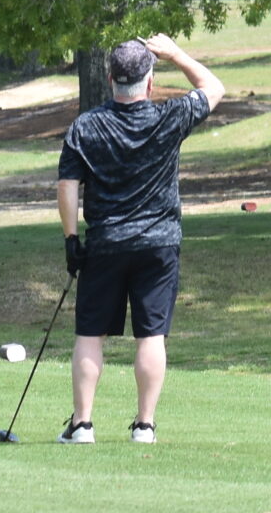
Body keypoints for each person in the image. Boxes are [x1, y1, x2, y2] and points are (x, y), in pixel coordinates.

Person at [41, 35, 224, 443]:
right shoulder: (169, 117)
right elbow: (214, 88)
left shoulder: (86, 126)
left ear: (110, 79)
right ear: (151, 82)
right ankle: (144, 425)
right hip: (158, 244)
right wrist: (176, 53)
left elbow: (67, 186)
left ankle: (83, 424)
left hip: (105, 243)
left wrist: (71, 239)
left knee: (90, 334)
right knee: (151, 334)